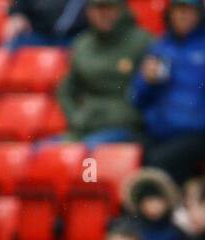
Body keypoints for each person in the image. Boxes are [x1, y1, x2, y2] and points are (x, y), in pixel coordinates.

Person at [129, 0, 205, 183]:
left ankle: (176, 209)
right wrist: (146, 82)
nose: (182, 16)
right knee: (132, 156)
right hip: (164, 131)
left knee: (162, 161)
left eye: (188, 10)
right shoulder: (161, 45)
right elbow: (137, 99)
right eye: (178, 10)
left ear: (201, 13)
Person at [55, 0, 151, 147]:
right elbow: (65, 90)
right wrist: (75, 117)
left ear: (121, 10)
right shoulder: (82, 44)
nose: (103, 14)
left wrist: (134, 118)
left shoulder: (142, 41)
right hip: (86, 126)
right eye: (98, 8)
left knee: (85, 153)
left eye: (109, 8)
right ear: (89, 12)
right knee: (42, 154)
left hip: (125, 128)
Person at [2, 0, 89, 49]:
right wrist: (17, 14)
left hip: (75, 37)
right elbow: (20, 6)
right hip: (38, 34)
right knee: (13, 43)